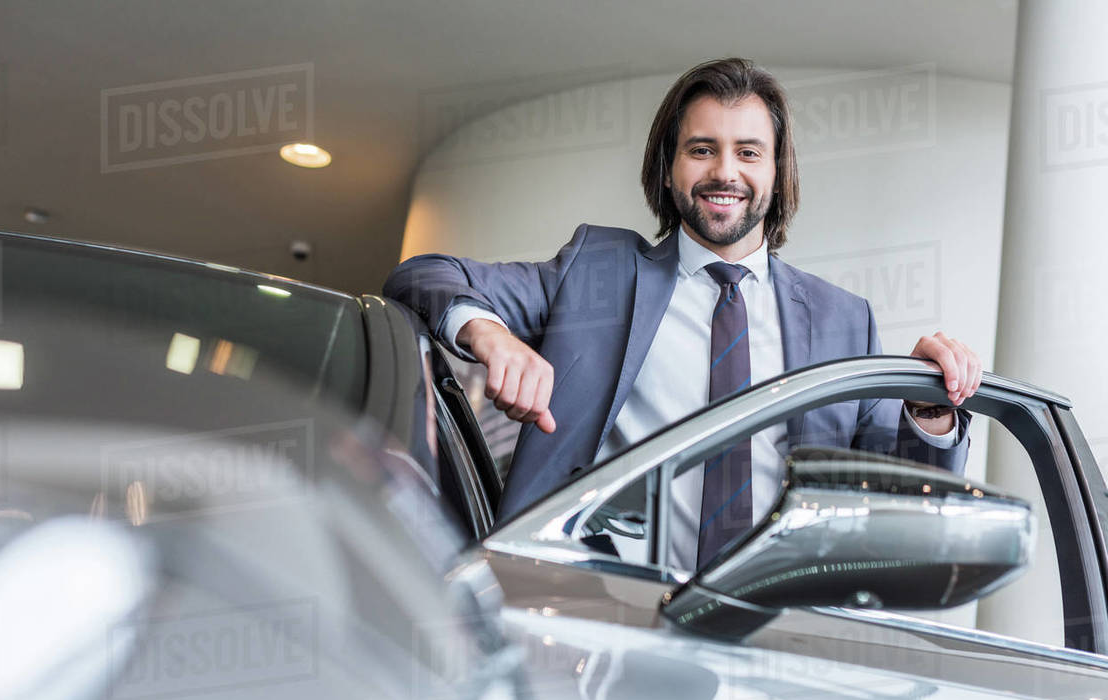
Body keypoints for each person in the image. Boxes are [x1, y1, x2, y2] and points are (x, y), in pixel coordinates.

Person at [384, 58, 981, 570]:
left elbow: (903, 496)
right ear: (669, 169)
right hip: (598, 621)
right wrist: (490, 335)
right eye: (702, 149)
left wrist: (927, 413)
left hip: (783, 640)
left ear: (777, 172)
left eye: (749, 152)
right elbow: (422, 275)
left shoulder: (843, 319)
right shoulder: (599, 272)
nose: (725, 171)